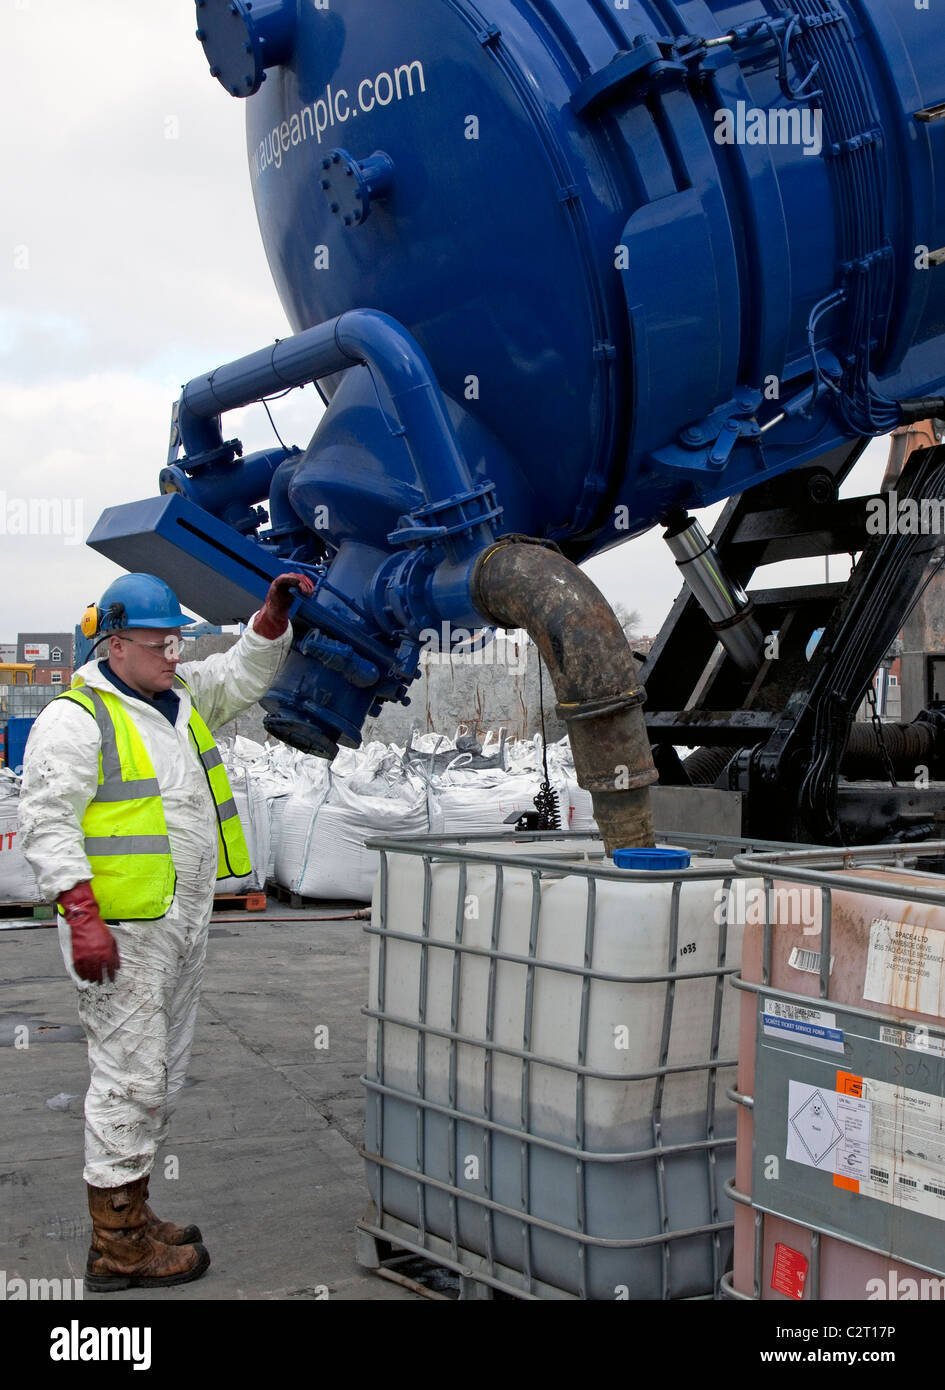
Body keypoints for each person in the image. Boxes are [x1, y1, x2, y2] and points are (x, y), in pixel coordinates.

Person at [17, 569, 314, 1291]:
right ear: (114, 645)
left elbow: (239, 672)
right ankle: (117, 1250)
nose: (173, 656)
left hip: (176, 924)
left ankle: (130, 1214)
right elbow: (46, 823)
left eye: (177, 641)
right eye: (159, 644)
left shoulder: (178, 704)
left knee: (162, 1075)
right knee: (130, 1079)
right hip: (121, 930)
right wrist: (82, 918)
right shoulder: (76, 718)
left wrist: (271, 617)